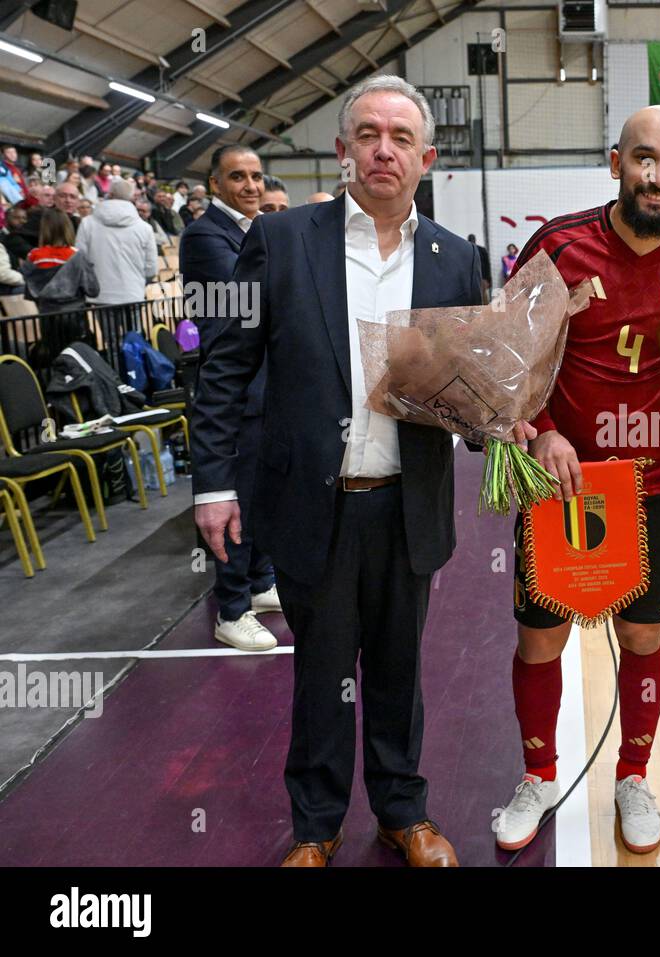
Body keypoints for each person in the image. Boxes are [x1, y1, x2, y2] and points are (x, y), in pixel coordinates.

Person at [191, 74, 492, 868]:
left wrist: (501, 416)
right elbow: (224, 367)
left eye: (400, 138)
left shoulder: (457, 261)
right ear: (342, 150)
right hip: (313, 503)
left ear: (426, 157)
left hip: (408, 503)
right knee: (322, 676)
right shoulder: (280, 240)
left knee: (399, 670)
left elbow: (468, 390)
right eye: (367, 133)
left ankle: (404, 811)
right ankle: (315, 827)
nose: (383, 149)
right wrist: (215, 485)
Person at [490, 105, 660, 857]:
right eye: (645, 159)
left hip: (652, 483)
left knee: (644, 631)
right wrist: (546, 427)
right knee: (542, 637)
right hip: (560, 484)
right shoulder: (557, 248)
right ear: (615, 160)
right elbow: (510, 358)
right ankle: (537, 774)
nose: (659, 176)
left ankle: (633, 776)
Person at [180, 143, 277, 654]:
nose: (251, 186)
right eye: (237, 177)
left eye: (257, 176)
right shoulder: (204, 236)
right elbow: (244, 304)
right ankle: (232, 608)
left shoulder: (248, 230)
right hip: (233, 386)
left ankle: (260, 583)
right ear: (215, 184)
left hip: (263, 383)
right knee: (233, 496)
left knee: (260, 494)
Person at [75, 178, 156, 305]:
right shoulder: (145, 228)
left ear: (110, 194)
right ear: (132, 198)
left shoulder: (87, 223)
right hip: (133, 294)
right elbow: (151, 269)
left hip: (99, 295)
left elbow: (79, 259)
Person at [21, 209, 98, 316]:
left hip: (46, 316)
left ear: (43, 229)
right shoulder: (76, 255)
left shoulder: (33, 255)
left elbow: (30, 289)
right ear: (68, 228)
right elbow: (92, 290)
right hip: (74, 315)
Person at [466, 233, 491, 302]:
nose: (472, 240)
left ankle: (485, 311)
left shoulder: (482, 250)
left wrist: (488, 279)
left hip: (482, 277)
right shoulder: (466, 250)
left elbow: (487, 265)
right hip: (470, 277)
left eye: (472, 239)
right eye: (470, 239)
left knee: (483, 296)